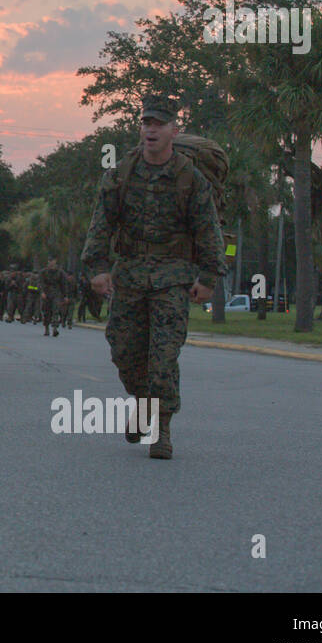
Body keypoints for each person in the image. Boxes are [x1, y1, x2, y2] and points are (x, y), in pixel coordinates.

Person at [80, 94, 224, 460]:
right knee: (124, 351)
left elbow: (208, 230)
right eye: (146, 123)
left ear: (174, 130)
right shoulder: (121, 173)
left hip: (172, 277)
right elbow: (101, 223)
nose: (151, 129)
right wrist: (97, 268)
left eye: (159, 123)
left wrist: (208, 277)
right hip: (128, 274)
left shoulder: (189, 177)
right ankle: (144, 404)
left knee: (163, 357)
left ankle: (161, 428)